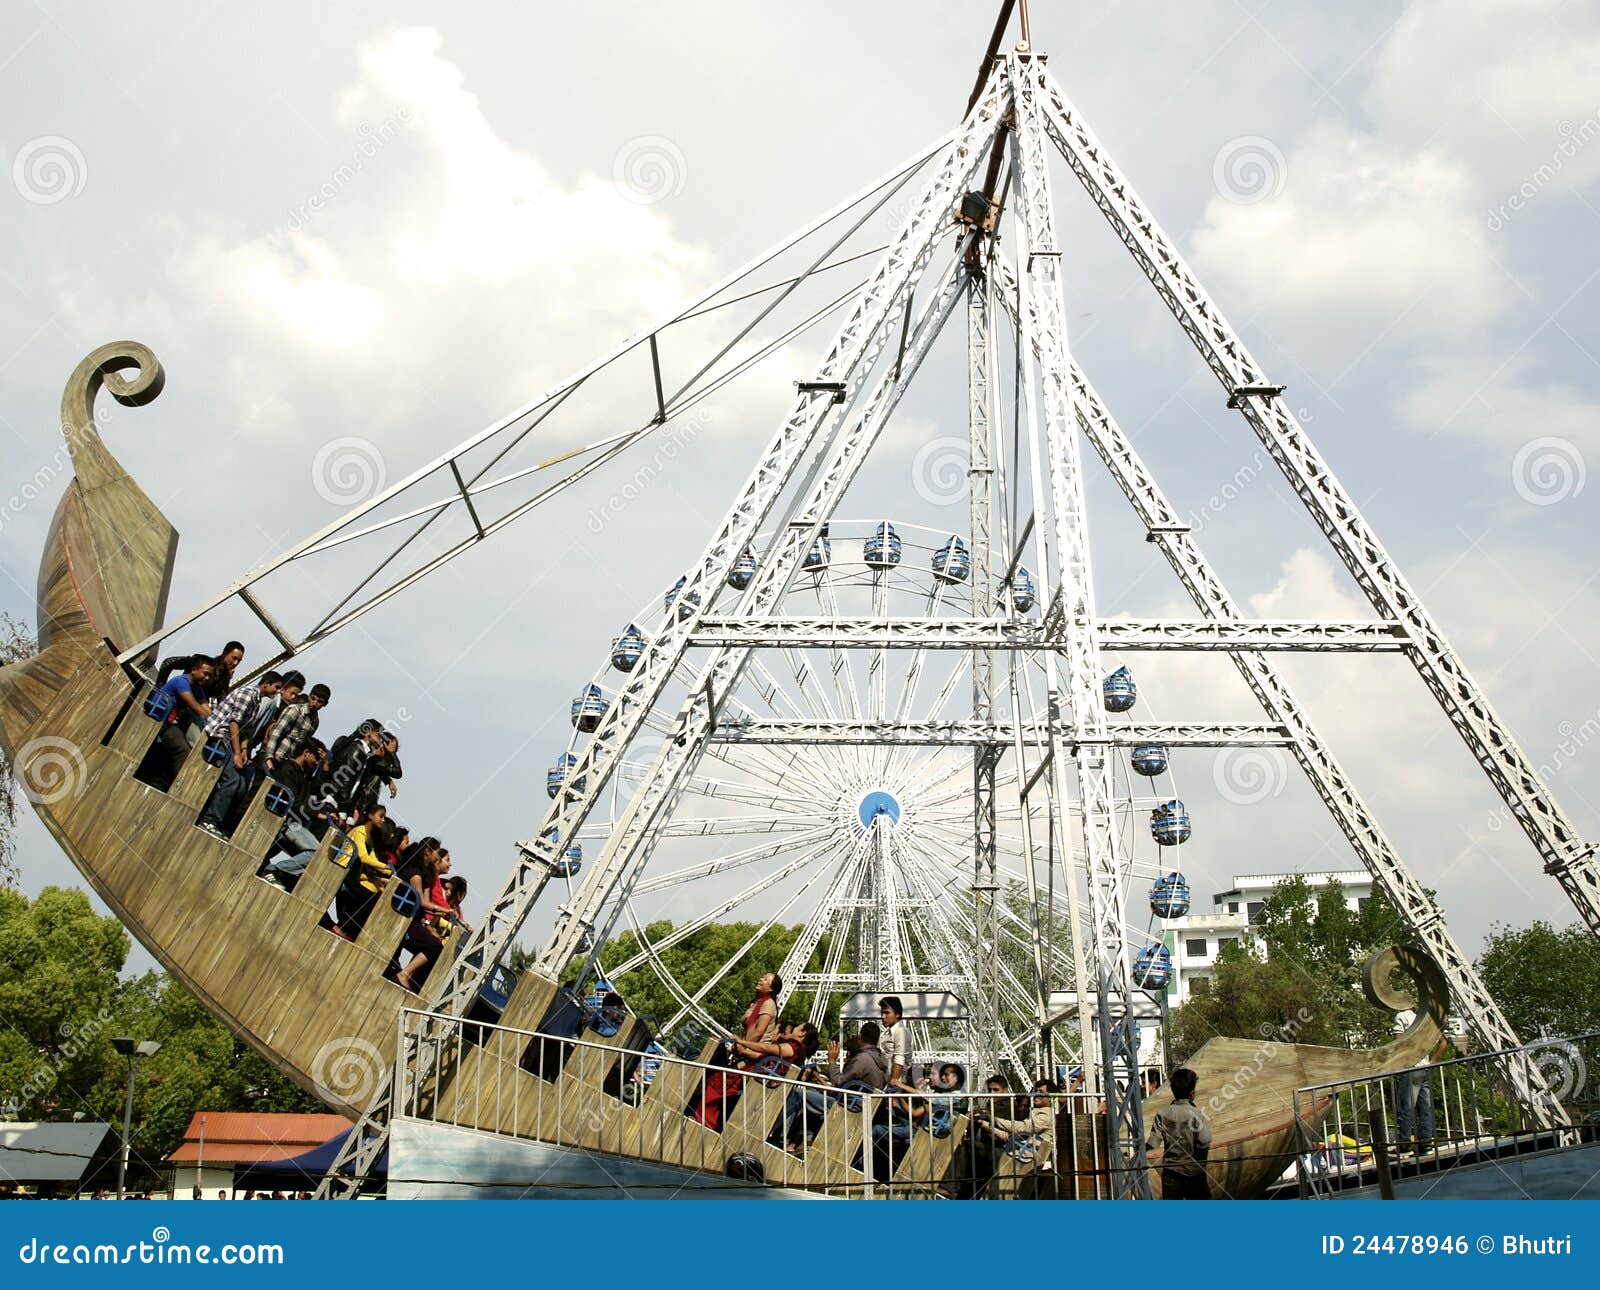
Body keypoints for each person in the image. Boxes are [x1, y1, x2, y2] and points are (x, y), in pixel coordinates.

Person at [773, 1020, 888, 1156]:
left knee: (798, 1094)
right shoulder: (882, 1061)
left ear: (860, 1038)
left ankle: (773, 1133)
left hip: (849, 1108)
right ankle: (806, 1143)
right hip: (862, 1107)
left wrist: (832, 1061)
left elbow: (838, 1082)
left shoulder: (863, 1059)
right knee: (812, 1101)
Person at [197, 671, 285, 834]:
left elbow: (245, 730)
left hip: (231, 740)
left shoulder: (257, 701)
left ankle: (221, 822)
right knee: (232, 780)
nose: (278, 692)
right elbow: (234, 723)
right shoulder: (248, 694)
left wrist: (244, 750)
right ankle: (209, 820)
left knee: (242, 784)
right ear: (266, 684)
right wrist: (236, 753)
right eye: (277, 687)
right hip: (219, 735)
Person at [135, 656, 215, 789]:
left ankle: (164, 783)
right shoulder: (181, 682)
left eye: (209, 675)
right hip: (158, 721)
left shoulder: (197, 689)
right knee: (183, 751)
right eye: (205, 674)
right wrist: (206, 714)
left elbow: (207, 710)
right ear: (194, 670)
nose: (207, 678)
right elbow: (196, 707)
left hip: (170, 724)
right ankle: (179, 787)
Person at [261, 739, 331, 888]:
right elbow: (292, 801)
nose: (317, 763)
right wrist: (316, 814)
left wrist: (325, 766)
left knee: (317, 858)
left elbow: (322, 789)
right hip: (284, 822)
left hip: (293, 824)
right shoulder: (287, 770)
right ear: (306, 753)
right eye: (316, 758)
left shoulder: (304, 777)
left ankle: (276, 873)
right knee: (315, 853)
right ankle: (273, 871)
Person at [976, 1077, 1060, 1198]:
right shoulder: (1034, 1112)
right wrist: (985, 1125)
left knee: (978, 1153)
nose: (1036, 1094)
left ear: (1051, 1097)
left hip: (1029, 1160)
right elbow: (1010, 1136)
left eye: (1041, 1092)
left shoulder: (1045, 1115)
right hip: (1019, 1155)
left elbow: (1022, 1128)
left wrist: (993, 1119)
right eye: (1035, 1091)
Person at [1147, 1066, 1211, 1199]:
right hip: (1195, 1174)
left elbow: (1153, 1143)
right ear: (1192, 1093)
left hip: (1171, 1175)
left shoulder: (1162, 1114)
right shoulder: (1196, 1115)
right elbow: (1205, 1140)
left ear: (1172, 1090)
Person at [394, 837, 450, 992]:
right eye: (437, 854)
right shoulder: (415, 875)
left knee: (436, 945)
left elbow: (425, 904)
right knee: (433, 946)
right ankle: (404, 974)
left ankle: (413, 981)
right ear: (427, 852)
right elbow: (421, 902)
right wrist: (445, 910)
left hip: (416, 918)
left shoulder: (424, 875)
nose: (437, 858)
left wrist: (428, 923)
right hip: (403, 918)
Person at [333, 803, 392, 936]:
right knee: (371, 899)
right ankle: (342, 928)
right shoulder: (360, 831)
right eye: (380, 816)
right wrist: (387, 869)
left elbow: (372, 859)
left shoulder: (369, 836)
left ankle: (348, 929)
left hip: (352, 873)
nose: (383, 820)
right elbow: (364, 857)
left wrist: (387, 872)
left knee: (373, 898)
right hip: (343, 870)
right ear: (370, 816)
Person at [261, 682, 330, 775]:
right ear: (309, 697)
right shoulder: (295, 710)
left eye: (319, 701)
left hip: (287, 765)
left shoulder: (315, 722)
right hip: (274, 758)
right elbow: (275, 734)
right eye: (313, 698)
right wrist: (269, 758)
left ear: (325, 704)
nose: (315, 703)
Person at [158, 640, 243, 703]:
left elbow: (222, 702)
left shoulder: (224, 680)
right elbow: (168, 662)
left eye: (239, 661)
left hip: (188, 716)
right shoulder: (203, 663)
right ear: (225, 653)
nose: (236, 663)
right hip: (170, 702)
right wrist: (159, 687)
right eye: (234, 658)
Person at [1393, 1055, 1435, 1155]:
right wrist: (1434, 1060)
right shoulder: (1426, 1038)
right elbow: (1444, 1041)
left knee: (1407, 1107)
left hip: (1411, 1069)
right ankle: (1426, 1144)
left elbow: (1398, 1042)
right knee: (1425, 1108)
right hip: (1425, 1069)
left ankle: (1405, 1144)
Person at [878, 996, 912, 1088]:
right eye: (882, 1013)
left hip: (896, 1082)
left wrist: (894, 1082)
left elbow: (899, 1058)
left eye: (887, 1013)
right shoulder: (889, 1032)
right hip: (888, 1080)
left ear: (897, 1014)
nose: (883, 1017)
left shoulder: (900, 1031)